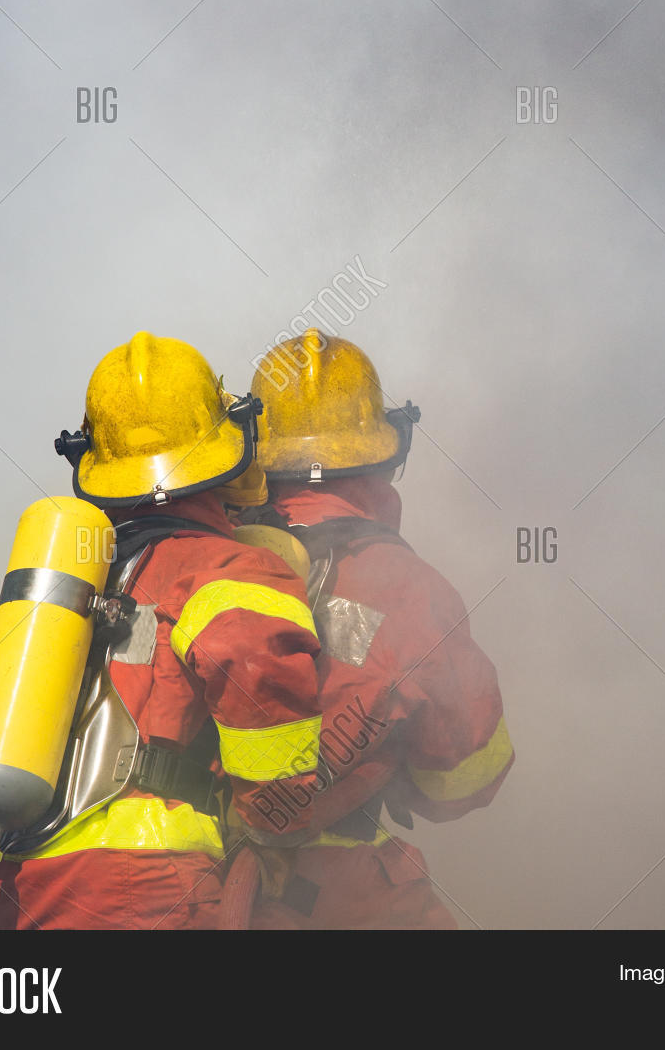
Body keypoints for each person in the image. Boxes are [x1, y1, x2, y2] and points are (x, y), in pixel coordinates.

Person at [0, 332, 321, 931]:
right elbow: (259, 688)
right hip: (138, 895)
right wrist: (276, 824)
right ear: (230, 438)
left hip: (7, 888)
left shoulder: (79, 569)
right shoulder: (225, 568)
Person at [239, 329, 512, 930]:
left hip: (186, 886)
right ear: (383, 453)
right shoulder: (410, 590)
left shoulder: (204, 558)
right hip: (334, 894)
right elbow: (463, 780)